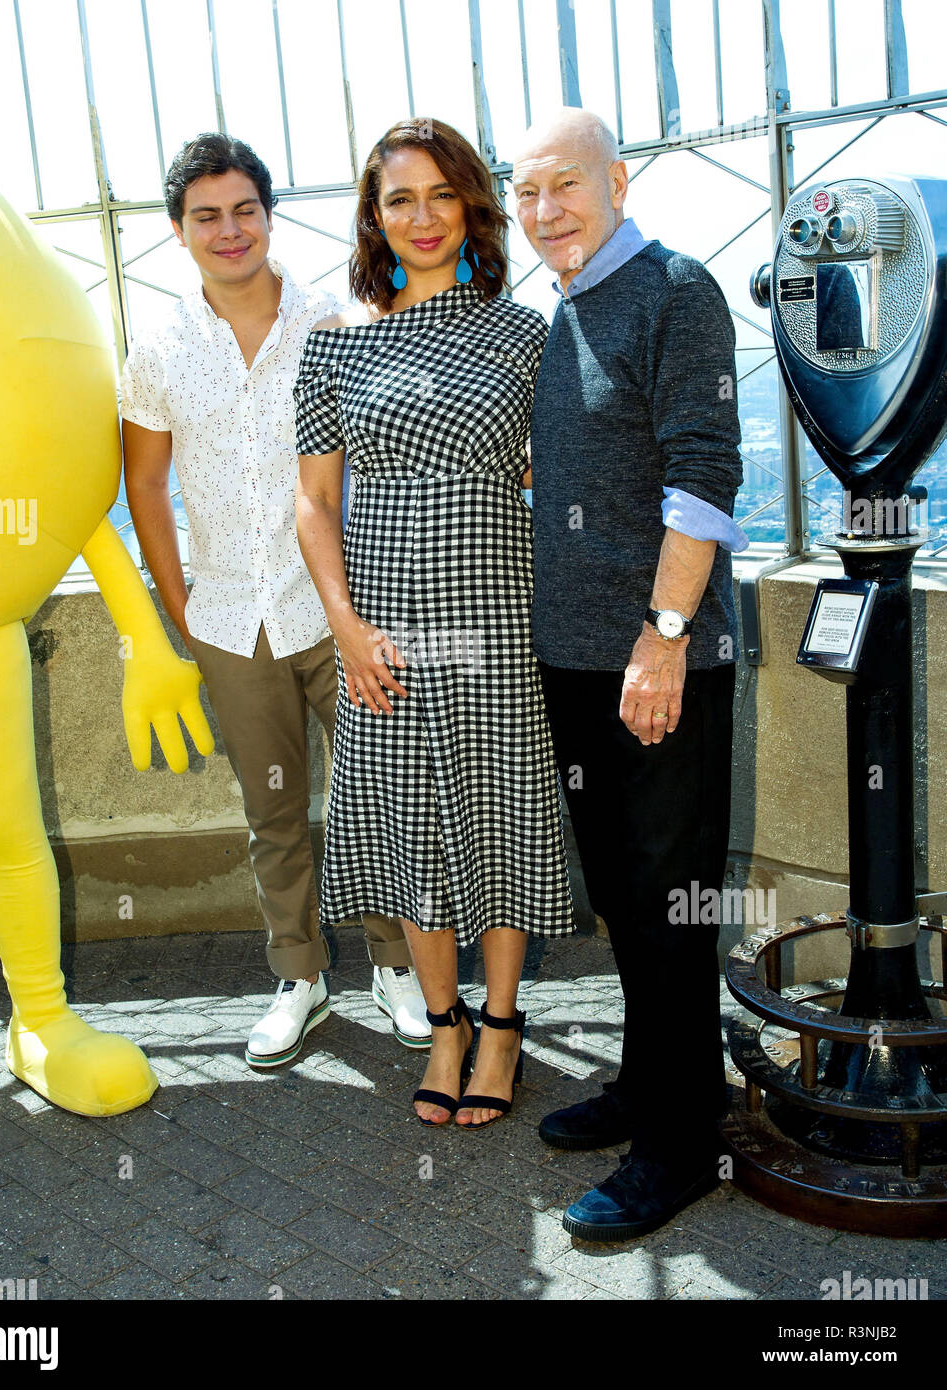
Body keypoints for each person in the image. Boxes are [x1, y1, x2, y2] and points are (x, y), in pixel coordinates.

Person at [119, 132, 429, 1068]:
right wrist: (180, 610)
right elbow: (146, 490)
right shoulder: (161, 348)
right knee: (275, 814)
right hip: (228, 623)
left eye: (244, 210)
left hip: (341, 610)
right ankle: (299, 978)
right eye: (206, 216)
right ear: (179, 231)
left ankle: (397, 967)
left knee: (383, 800)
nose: (229, 230)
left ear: (269, 213)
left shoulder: (337, 323)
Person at [294, 117, 576, 1128]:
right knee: (410, 826)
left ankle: (500, 1026)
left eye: (439, 196)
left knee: (498, 817)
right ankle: (443, 1020)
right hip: (380, 632)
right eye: (398, 199)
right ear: (373, 218)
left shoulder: (524, 334)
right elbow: (314, 503)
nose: (420, 218)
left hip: (496, 618)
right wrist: (344, 626)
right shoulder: (333, 347)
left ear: (469, 207)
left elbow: (561, 472)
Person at [512, 108, 747, 1238]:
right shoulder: (559, 312)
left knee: (670, 905)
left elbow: (706, 471)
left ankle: (683, 1143)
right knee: (621, 896)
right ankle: (648, 1083)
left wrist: (662, 632)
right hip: (574, 661)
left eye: (563, 185)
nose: (544, 210)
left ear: (613, 178)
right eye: (525, 193)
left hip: (660, 662)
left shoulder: (674, 288)